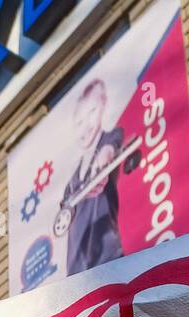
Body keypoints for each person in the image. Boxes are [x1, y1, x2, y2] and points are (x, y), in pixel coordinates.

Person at [60, 78, 128, 276]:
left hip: (108, 261)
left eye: (92, 111)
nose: (86, 125)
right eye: (79, 121)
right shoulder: (72, 180)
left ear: (103, 106)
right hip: (77, 274)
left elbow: (112, 143)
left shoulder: (108, 141)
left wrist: (105, 155)